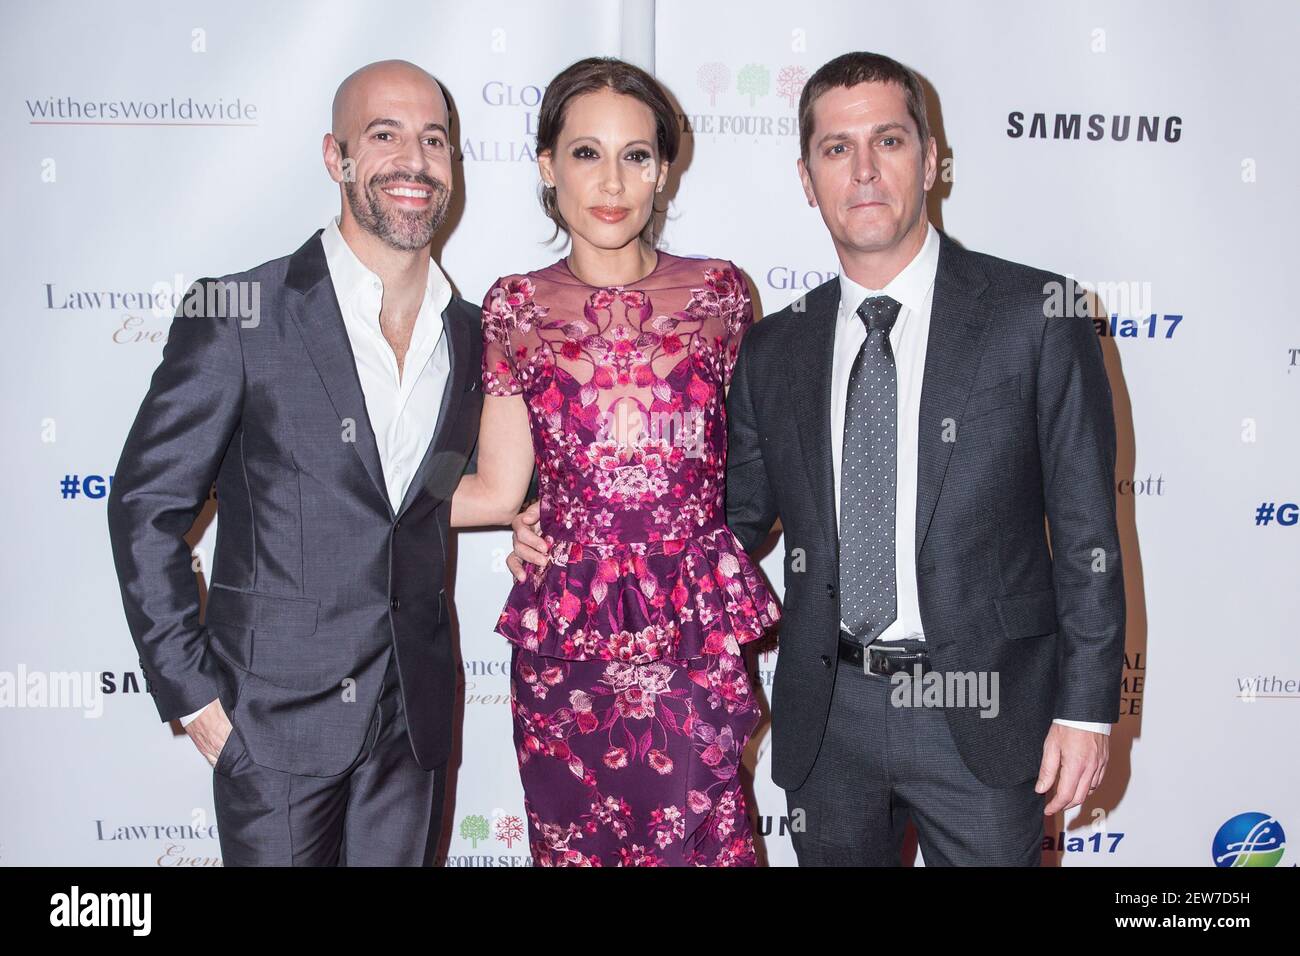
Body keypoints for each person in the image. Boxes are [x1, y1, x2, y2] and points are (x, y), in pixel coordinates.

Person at [511, 51, 1124, 866]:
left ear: (932, 159)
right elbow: (723, 511)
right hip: (828, 718)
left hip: (981, 717)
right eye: (837, 149)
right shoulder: (776, 346)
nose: (863, 170)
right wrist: (572, 534)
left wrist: (1086, 713)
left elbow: (1088, 531)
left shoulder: (1036, 315)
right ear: (807, 177)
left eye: (890, 142)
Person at [106, 60, 481, 865]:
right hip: (270, 722)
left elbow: (436, 492)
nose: (414, 159)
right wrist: (193, 692)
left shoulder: (474, 333)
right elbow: (146, 506)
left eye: (434, 139)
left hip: (412, 723)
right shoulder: (239, 312)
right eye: (384, 135)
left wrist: (526, 519)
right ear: (334, 157)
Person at [451, 56, 780, 867]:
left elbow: (754, 460)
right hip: (567, 632)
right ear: (546, 166)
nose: (612, 181)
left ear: (663, 170)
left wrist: (713, 542)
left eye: (636, 155)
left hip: (689, 630)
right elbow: (495, 483)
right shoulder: (516, 306)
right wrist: (518, 517)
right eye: (586, 152)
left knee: (697, 843)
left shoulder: (719, 294)